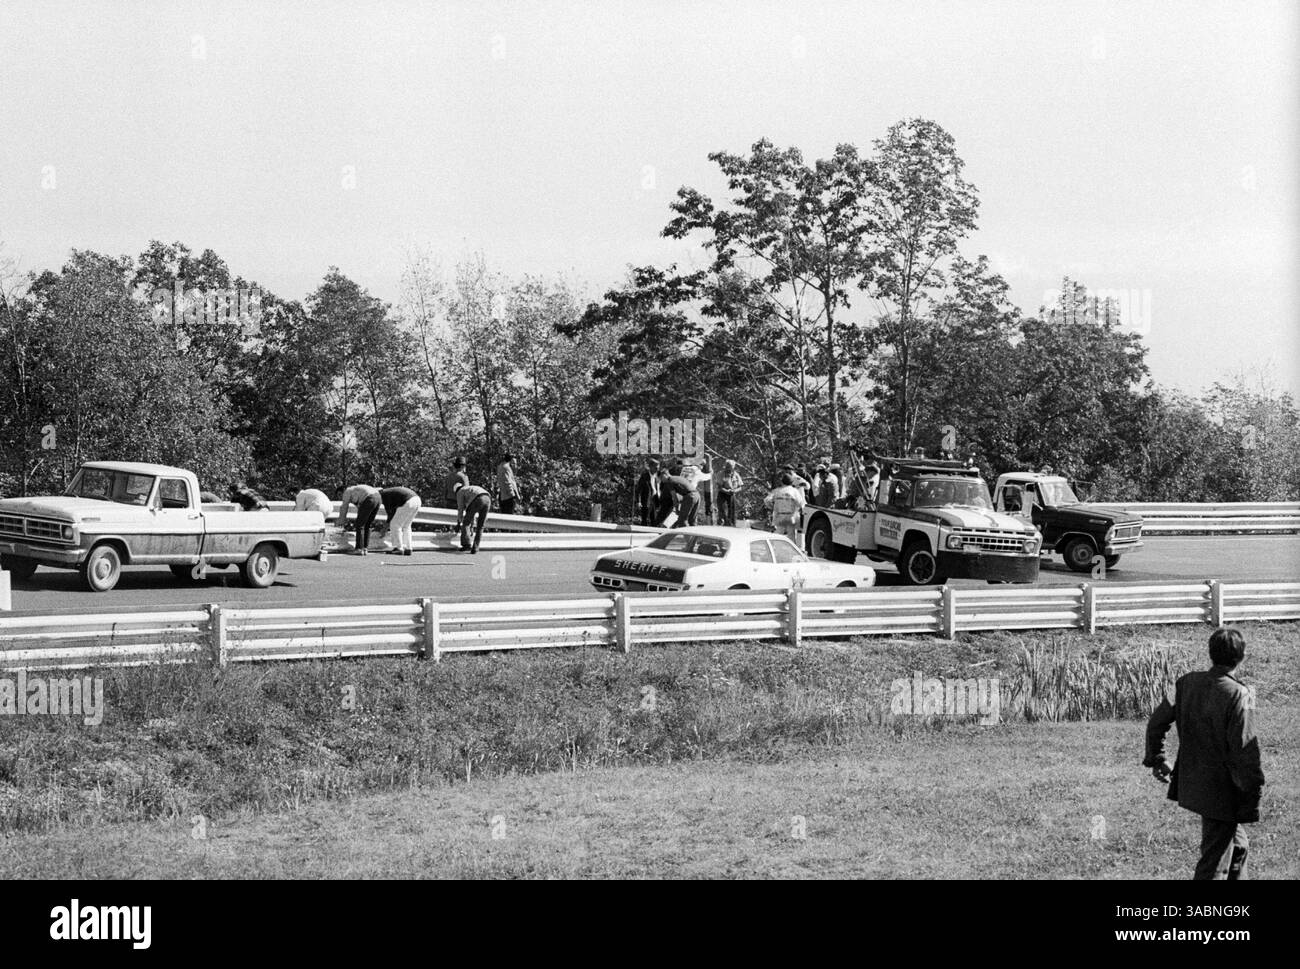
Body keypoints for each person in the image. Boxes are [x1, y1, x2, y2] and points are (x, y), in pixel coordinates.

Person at [1144, 627, 1265, 880]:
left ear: (1210, 653)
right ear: (1242, 657)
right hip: (1223, 789)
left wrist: (1157, 757)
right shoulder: (1241, 694)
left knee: (1238, 845)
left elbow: (1157, 722)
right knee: (1215, 862)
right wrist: (1253, 788)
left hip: (1192, 781)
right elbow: (1245, 749)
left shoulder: (1185, 683)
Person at [338, 483, 381, 556]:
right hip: (378, 498)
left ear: (343, 490)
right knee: (367, 524)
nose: (340, 497)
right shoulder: (356, 490)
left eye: (339, 494)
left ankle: (359, 549)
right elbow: (361, 507)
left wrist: (341, 521)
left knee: (359, 524)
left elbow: (344, 507)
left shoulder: (347, 491)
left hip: (370, 498)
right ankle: (365, 548)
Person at [764, 472, 806, 544]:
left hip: (779, 517)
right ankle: (791, 552)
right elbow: (801, 504)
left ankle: (774, 548)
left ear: (782, 481)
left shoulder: (777, 491)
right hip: (791, 517)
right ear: (791, 482)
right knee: (791, 536)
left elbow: (766, 500)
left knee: (778, 534)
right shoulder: (794, 491)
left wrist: (771, 507)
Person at [380, 486, 421, 556]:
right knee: (406, 526)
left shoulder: (384, 496)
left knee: (395, 524)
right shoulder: (389, 492)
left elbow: (390, 513)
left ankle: (399, 548)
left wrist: (384, 529)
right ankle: (408, 548)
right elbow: (392, 512)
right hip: (417, 500)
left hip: (408, 501)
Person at [455, 481, 491, 553]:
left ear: (456, 490)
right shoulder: (469, 489)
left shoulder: (460, 492)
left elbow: (460, 508)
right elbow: (472, 511)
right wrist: (472, 527)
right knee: (480, 526)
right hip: (488, 498)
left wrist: (459, 523)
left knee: (465, 523)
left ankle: (466, 545)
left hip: (478, 498)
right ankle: (475, 548)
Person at [679, 458, 711, 526]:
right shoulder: (697, 471)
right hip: (693, 494)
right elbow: (707, 477)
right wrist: (711, 472)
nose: (702, 468)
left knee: (683, 519)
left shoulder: (684, 469)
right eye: (702, 466)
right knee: (690, 520)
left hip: (684, 493)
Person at [634, 458, 661, 526]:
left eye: (658, 468)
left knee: (654, 519)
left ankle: (653, 535)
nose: (657, 469)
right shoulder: (644, 476)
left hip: (655, 500)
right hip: (646, 500)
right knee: (645, 519)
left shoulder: (657, 476)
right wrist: (638, 501)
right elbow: (638, 490)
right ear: (651, 467)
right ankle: (643, 535)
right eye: (656, 467)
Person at [718, 459, 742, 526]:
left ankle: (732, 525)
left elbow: (740, 487)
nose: (728, 468)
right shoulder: (721, 474)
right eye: (727, 466)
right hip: (722, 494)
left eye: (730, 466)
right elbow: (719, 487)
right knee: (723, 512)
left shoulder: (736, 475)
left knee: (732, 513)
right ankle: (723, 525)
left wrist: (734, 491)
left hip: (732, 495)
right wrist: (726, 491)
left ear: (733, 467)